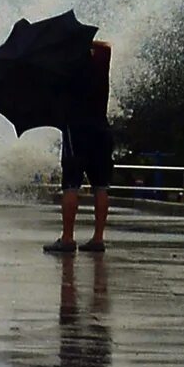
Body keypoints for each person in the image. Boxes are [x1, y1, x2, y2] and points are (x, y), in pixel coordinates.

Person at [46, 39, 114, 254]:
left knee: (71, 186)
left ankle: (67, 239)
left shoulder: (66, 70)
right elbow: (106, 47)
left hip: (76, 130)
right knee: (101, 187)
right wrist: (84, 40)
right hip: (102, 130)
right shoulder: (101, 62)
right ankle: (98, 238)